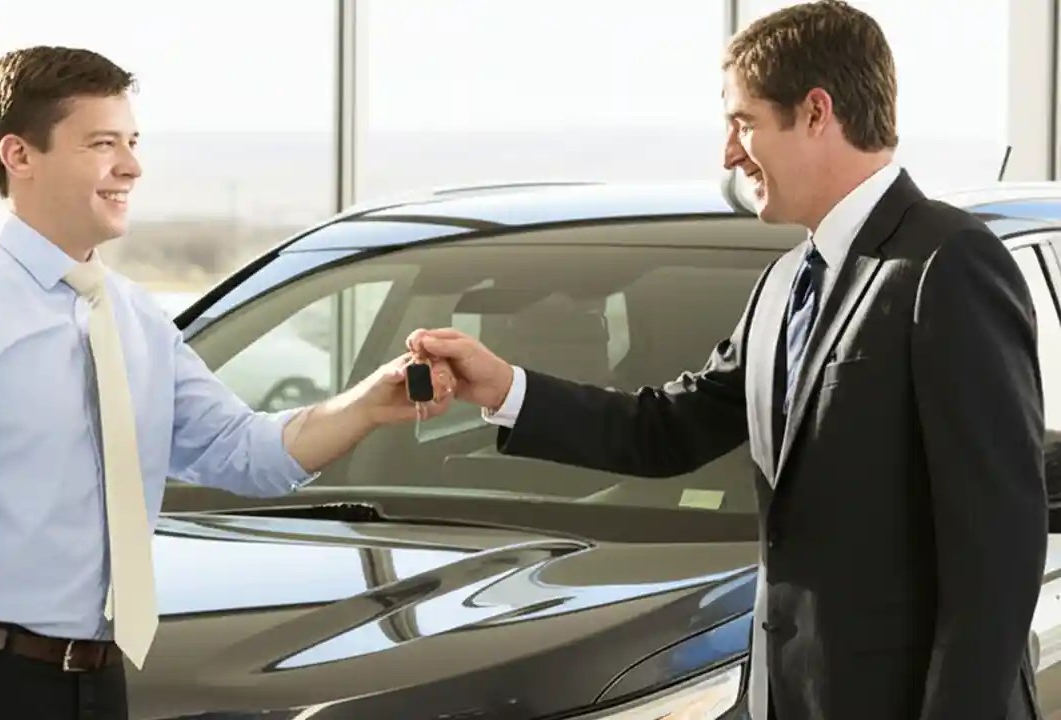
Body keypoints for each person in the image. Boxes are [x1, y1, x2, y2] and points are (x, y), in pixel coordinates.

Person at [407, 2, 1047, 719]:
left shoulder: (948, 263)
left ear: (815, 113)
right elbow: (670, 430)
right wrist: (506, 388)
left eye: (743, 123)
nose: (729, 153)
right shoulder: (783, 285)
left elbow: (997, 548)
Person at [0, 46, 453, 720]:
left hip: (99, 683)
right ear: (20, 156)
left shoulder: (131, 316)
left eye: (131, 142)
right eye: (102, 143)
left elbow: (250, 454)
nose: (130, 165)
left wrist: (366, 404)